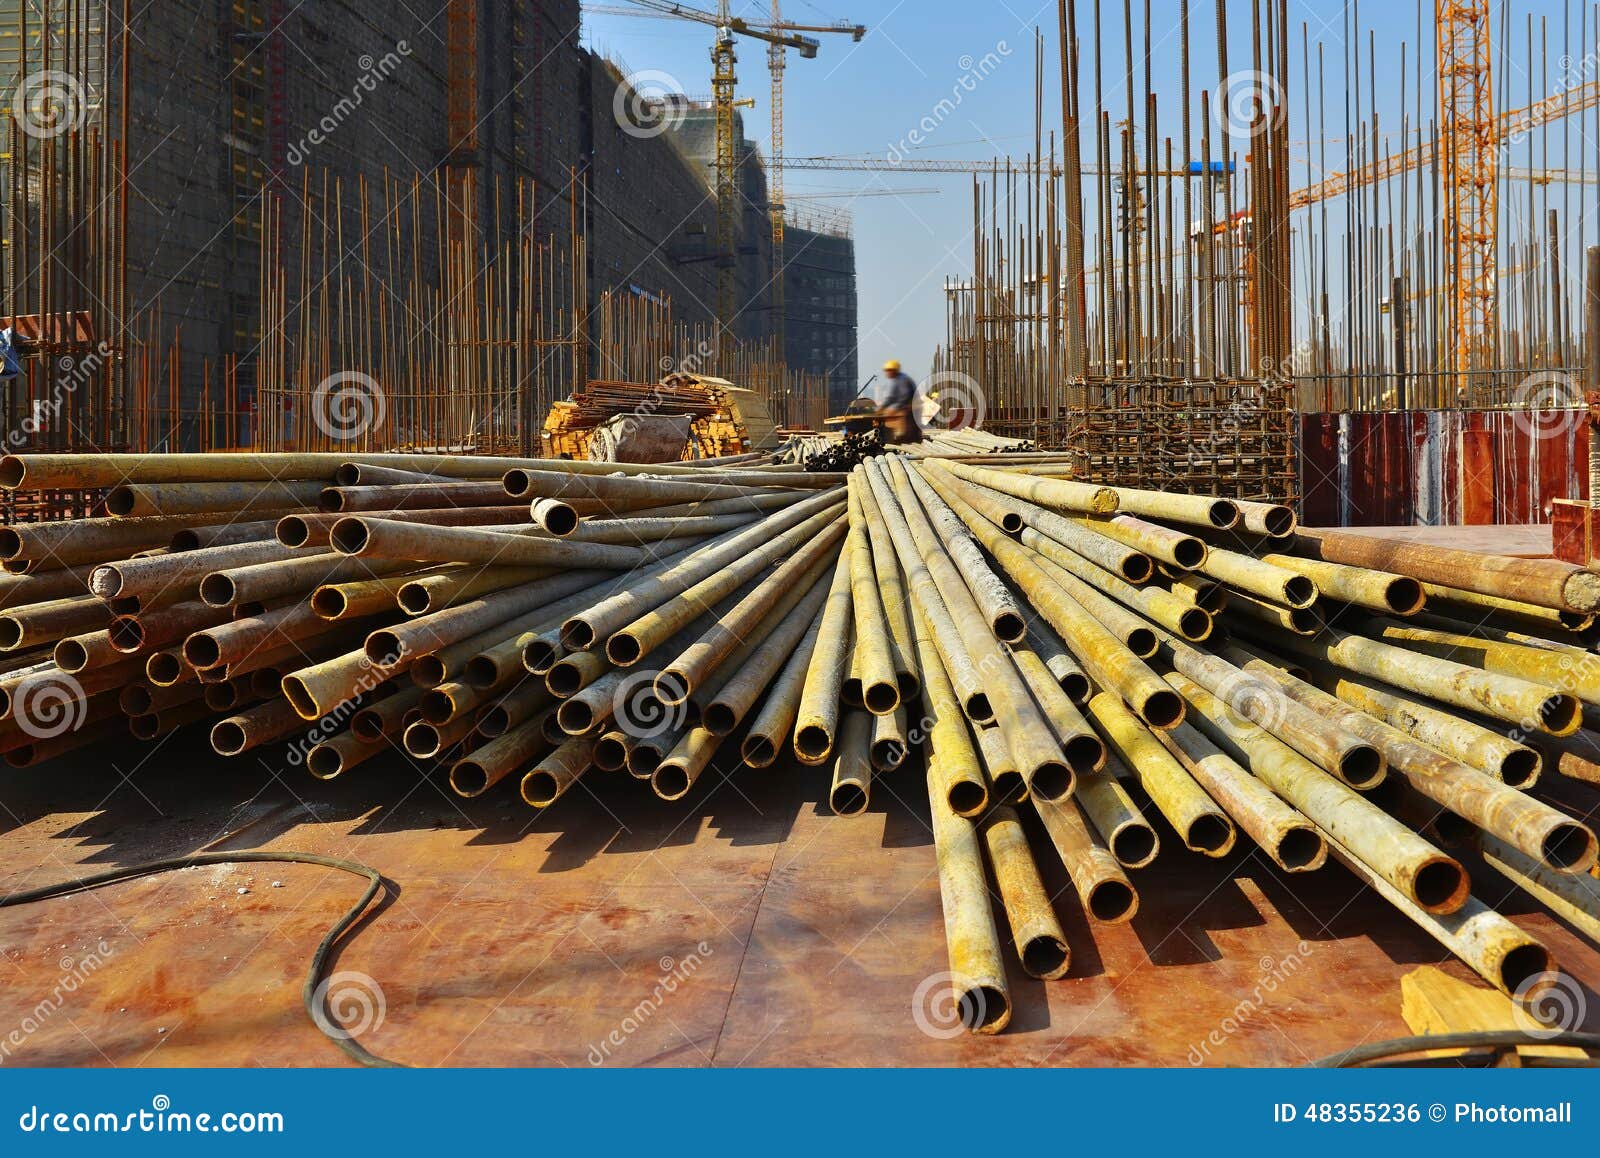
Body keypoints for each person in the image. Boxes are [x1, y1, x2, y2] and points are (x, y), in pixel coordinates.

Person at [875, 359, 923, 444]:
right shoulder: (896, 380)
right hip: (908, 407)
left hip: (911, 408)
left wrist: (891, 408)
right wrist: (883, 407)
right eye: (886, 371)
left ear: (895, 371)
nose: (887, 373)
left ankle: (906, 441)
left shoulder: (902, 380)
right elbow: (891, 398)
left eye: (889, 371)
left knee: (909, 431)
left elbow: (904, 397)